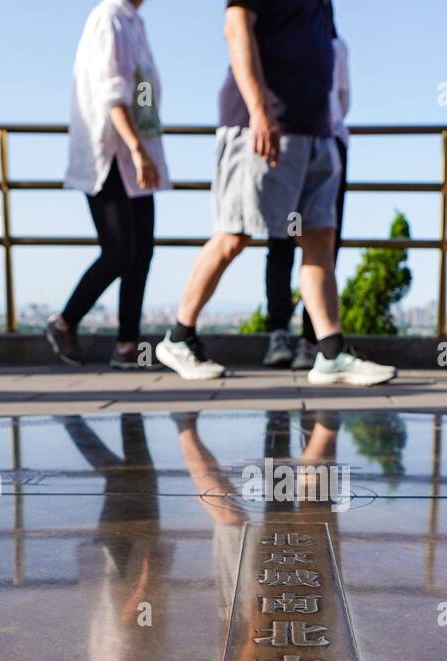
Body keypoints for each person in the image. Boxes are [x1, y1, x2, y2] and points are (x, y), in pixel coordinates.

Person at [155, 0, 395, 387]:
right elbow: (235, 27)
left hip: (316, 129)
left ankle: (331, 353)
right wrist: (258, 110)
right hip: (263, 127)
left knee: (319, 236)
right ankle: (179, 338)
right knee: (234, 233)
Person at [46, 0, 169, 372]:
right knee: (119, 250)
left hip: (136, 155)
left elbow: (141, 93)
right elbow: (110, 93)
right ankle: (64, 322)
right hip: (112, 153)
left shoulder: (135, 24)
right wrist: (135, 148)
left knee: (141, 252)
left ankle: (127, 344)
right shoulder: (109, 19)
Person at [262, 21, 349, 371]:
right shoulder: (296, 36)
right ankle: (299, 338)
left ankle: (309, 339)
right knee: (292, 239)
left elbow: (341, 97)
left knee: (312, 242)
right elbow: (343, 99)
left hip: (320, 138)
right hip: (294, 137)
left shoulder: (334, 45)